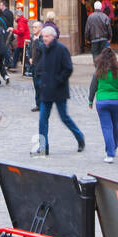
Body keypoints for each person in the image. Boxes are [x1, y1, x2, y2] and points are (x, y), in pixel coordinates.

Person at [31, 25, 85, 156]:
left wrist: (57, 81)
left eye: (47, 36)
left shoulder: (61, 49)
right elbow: (41, 65)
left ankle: (80, 137)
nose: (44, 38)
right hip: (46, 91)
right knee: (42, 119)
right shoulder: (43, 49)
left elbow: (68, 68)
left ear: (53, 36)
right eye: (43, 36)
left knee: (64, 117)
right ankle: (43, 148)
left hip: (59, 91)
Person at [88, 48, 118, 163]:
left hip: (102, 102)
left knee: (106, 127)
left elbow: (92, 87)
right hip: (115, 102)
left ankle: (110, 153)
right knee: (114, 125)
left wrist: (90, 101)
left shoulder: (98, 72)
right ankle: (114, 146)